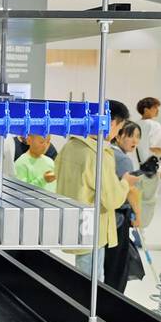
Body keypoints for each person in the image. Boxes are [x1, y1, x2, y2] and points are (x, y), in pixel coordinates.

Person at [54, 100, 130, 281]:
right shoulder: (98, 154)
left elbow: (58, 173)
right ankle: (89, 309)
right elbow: (112, 199)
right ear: (111, 123)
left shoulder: (70, 146)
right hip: (92, 225)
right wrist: (126, 183)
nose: (117, 133)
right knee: (92, 280)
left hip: (72, 220)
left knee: (84, 272)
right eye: (119, 128)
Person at [104, 119, 144, 293]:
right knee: (117, 266)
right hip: (119, 216)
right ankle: (114, 299)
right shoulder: (123, 160)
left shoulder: (106, 152)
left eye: (137, 137)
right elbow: (131, 191)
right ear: (118, 136)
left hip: (106, 215)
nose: (134, 141)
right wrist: (138, 215)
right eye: (130, 136)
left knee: (106, 262)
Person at [133, 97, 161, 229]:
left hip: (136, 168)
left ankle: (134, 226)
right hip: (151, 169)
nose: (157, 110)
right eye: (155, 107)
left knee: (135, 199)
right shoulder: (155, 125)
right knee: (149, 201)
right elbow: (155, 147)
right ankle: (140, 229)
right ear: (146, 109)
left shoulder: (135, 125)